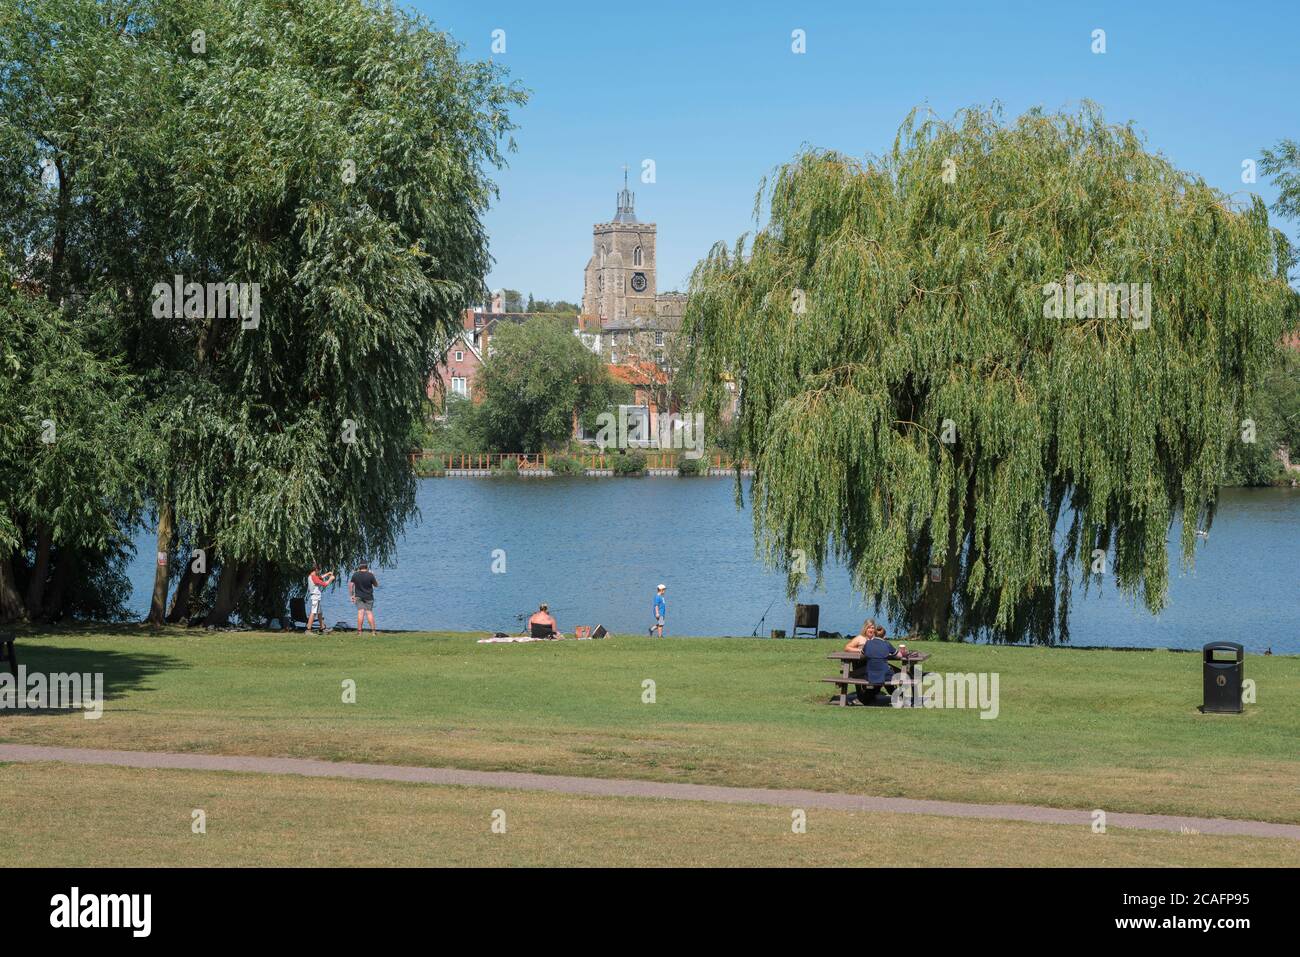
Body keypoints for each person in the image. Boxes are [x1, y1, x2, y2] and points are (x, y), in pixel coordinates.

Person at [843, 620, 899, 697]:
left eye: (873, 628)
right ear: (865, 629)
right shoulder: (860, 638)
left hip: (874, 665)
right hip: (864, 666)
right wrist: (860, 650)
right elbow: (847, 648)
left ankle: (892, 691)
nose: (871, 630)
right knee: (885, 669)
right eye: (869, 628)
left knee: (884, 668)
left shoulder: (876, 639)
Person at [348, 562, 379, 636]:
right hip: (369, 597)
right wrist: (374, 575)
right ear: (367, 567)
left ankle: (359, 632)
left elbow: (351, 585)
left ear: (359, 567)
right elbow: (376, 585)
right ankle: (373, 632)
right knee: (369, 613)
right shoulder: (370, 575)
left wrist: (351, 595)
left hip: (358, 596)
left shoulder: (355, 575)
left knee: (360, 612)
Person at [305, 566, 335, 634]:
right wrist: (331, 579)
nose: (319, 572)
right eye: (318, 570)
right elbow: (324, 584)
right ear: (315, 570)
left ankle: (322, 627)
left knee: (319, 613)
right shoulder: (314, 577)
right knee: (313, 613)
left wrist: (327, 574)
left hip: (316, 597)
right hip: (315, 597)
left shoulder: (311, 576)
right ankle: (308, 630)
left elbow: (320, 577)